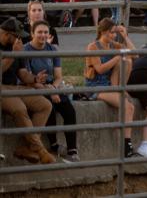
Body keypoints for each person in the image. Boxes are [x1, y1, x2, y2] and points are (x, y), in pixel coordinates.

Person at [1, 18, 56, 164]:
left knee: (45, 105)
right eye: (17, 36)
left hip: (15, 87)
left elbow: (22, 73)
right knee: (19, 108)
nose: (20, 39)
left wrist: (35, 78)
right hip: (1, 88)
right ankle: (40, 150)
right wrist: (13, 55)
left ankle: (27, 148)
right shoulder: (14, 48)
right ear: (7, 34)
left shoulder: (16, 46)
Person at [23, 19, 78, 161]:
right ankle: (53, 144)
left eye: (45, 32)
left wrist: (53, 88)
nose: (43, 35)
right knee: (49, 106)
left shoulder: (52, 49)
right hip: (33, 87)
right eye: (39, 32)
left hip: (51, 86)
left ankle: (72, 149)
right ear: (32, 33)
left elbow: (58, 77)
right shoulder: (25, 50)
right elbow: (28, 79)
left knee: (69, 110)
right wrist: (49, 91)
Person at [85, 18, 136, 157]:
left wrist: (125, 36)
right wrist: (117, 58)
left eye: (115, 33)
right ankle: (126, 145)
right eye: (111, 32)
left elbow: (135, 54)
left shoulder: (114, 45)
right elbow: (100, 69)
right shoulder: (93, 47)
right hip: (96, 86)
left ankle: (120, 88)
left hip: (109, 84)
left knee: (128, 60)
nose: (114, 35)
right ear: (103, 31)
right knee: (128, 107)